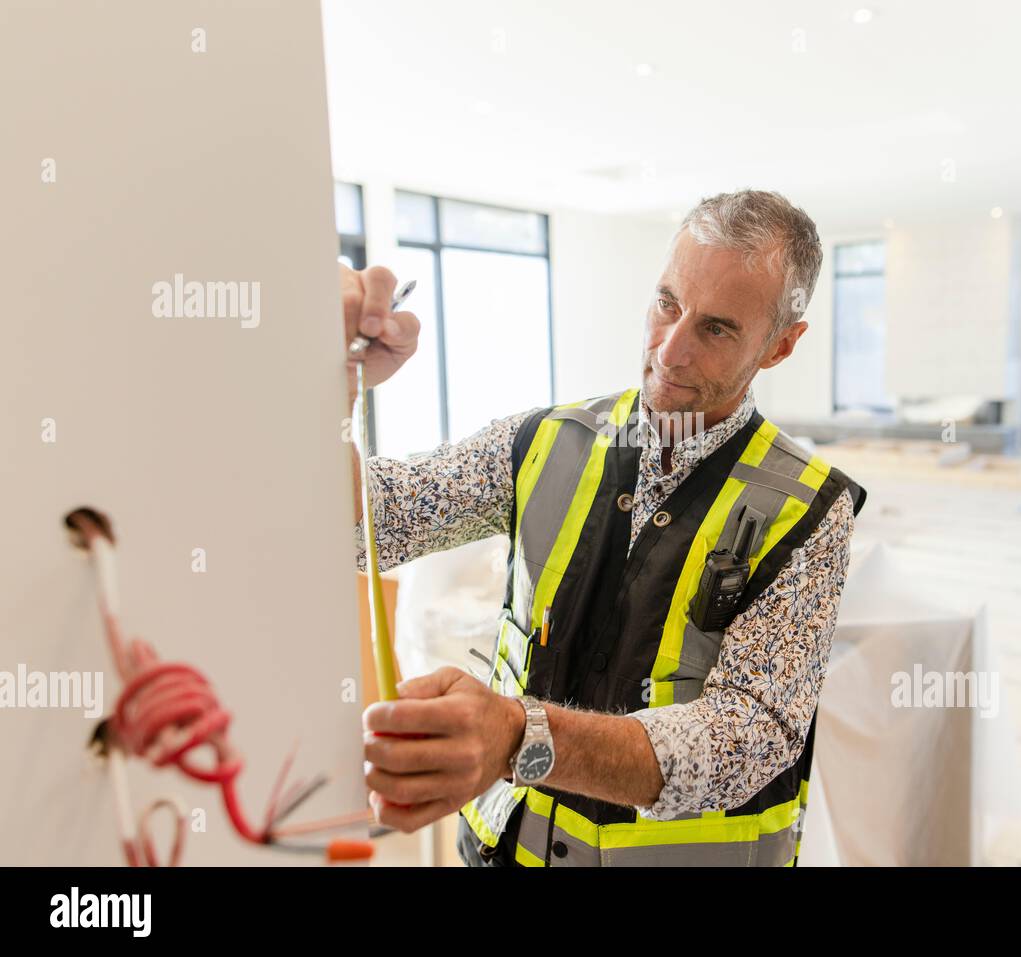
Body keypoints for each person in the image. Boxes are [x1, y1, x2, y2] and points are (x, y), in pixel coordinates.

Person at [341, 189, 866, 866]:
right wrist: (332, 386)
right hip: (504, 850)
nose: (669, 350)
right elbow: (365, 523)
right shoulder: (543, 440)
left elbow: (747, 739)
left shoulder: (810, 508)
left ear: (781, 345)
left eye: (716, 329)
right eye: (667, 303)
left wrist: (515, 737)